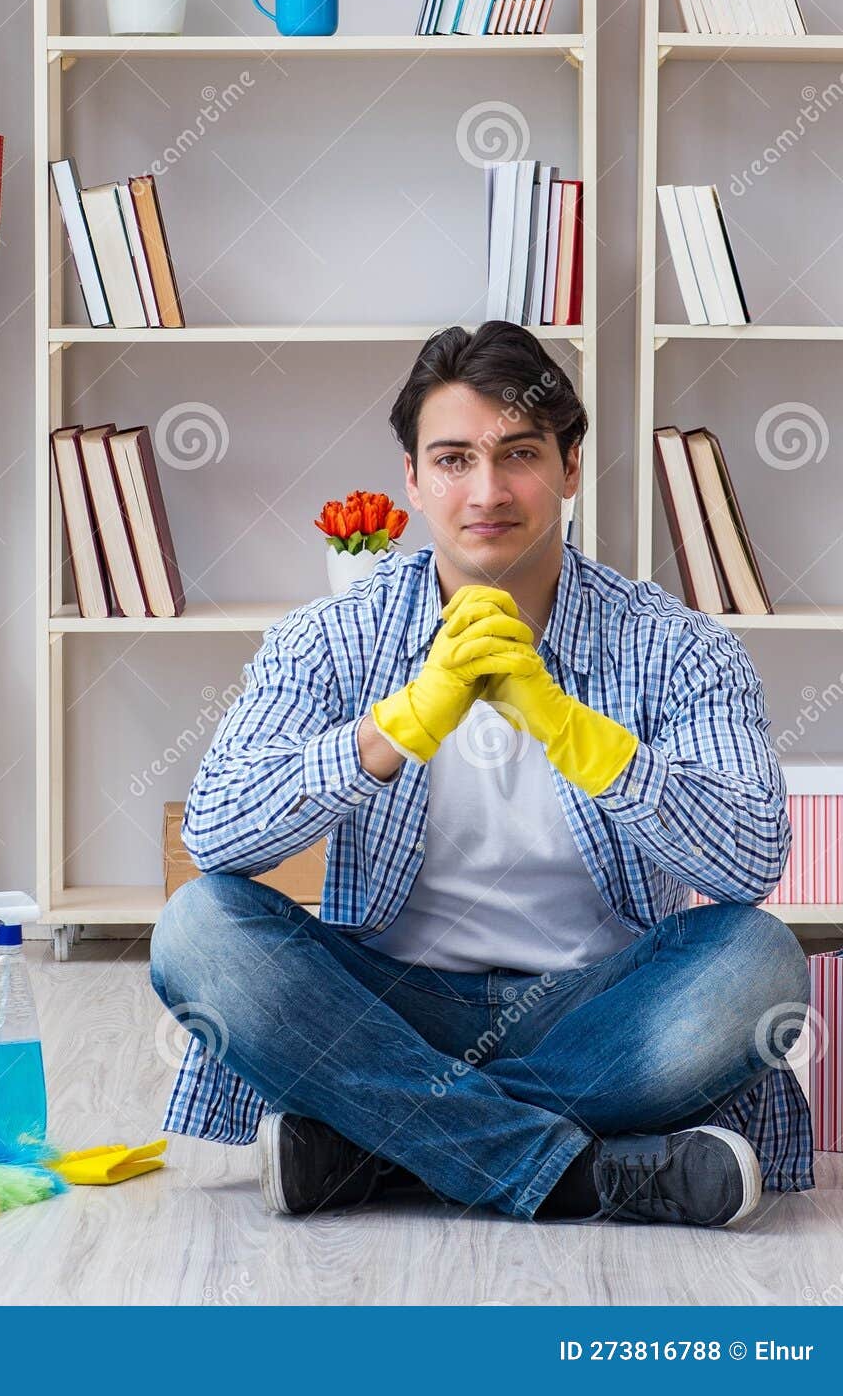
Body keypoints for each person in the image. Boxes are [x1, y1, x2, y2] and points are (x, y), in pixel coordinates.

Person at [150, 321, 812, 1227]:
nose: (488, 491)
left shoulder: (677, 644)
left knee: (759, 960)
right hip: (385, 1008)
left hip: (599, 1010)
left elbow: (749, 860)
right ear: (414, 482)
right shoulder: (332, 637)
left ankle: (382, 1146)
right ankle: (584, 1175)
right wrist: (398, 726)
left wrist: (566, 725)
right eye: (455, 459)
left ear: (570, 469)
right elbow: (217, 833)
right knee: (198, 929)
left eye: (521, 455)